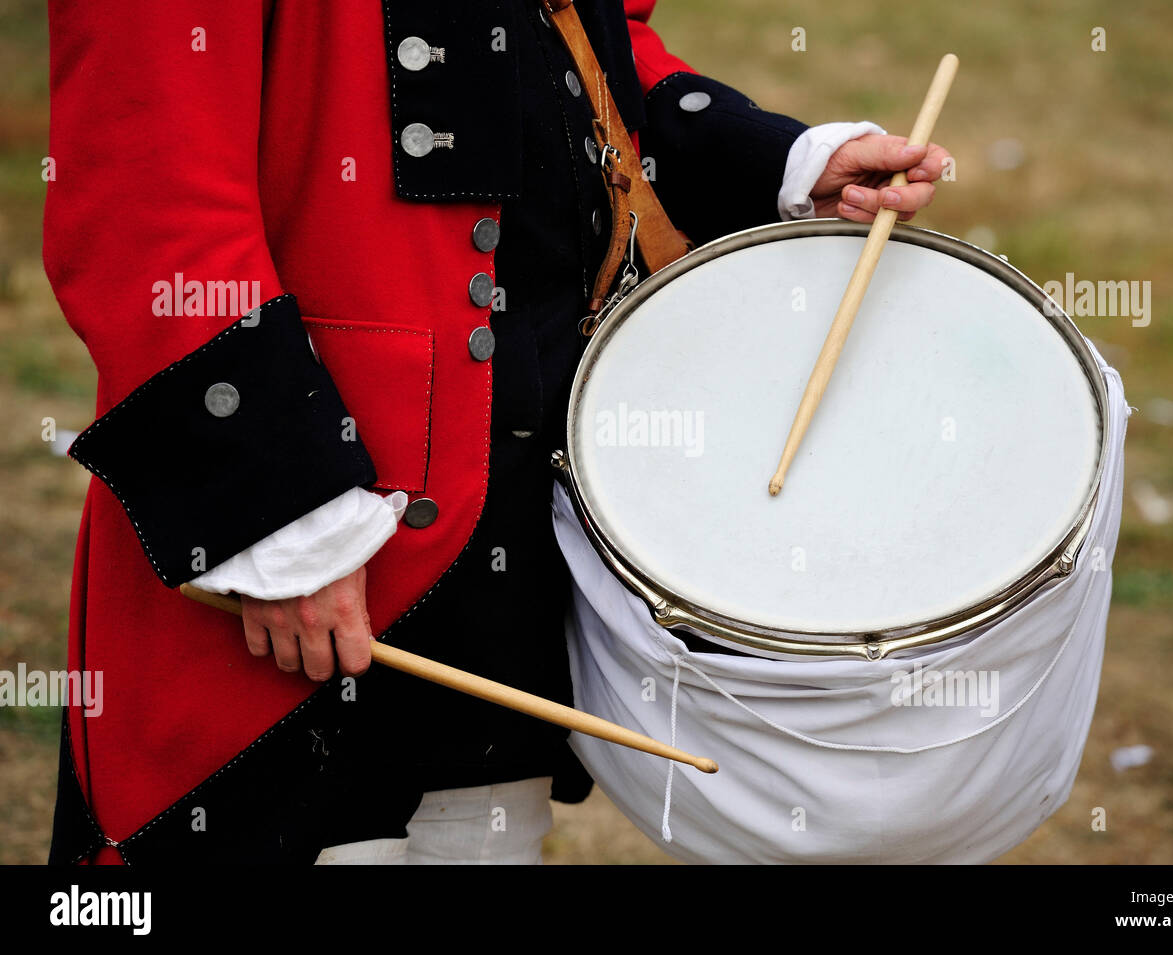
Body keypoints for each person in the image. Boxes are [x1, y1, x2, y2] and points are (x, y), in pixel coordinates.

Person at [44, 0, 949, 864]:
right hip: (321, 506)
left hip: (519, 495)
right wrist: (276, 505)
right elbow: (145, 183)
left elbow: (577, 42)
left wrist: (766, 157)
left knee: (480, 832)